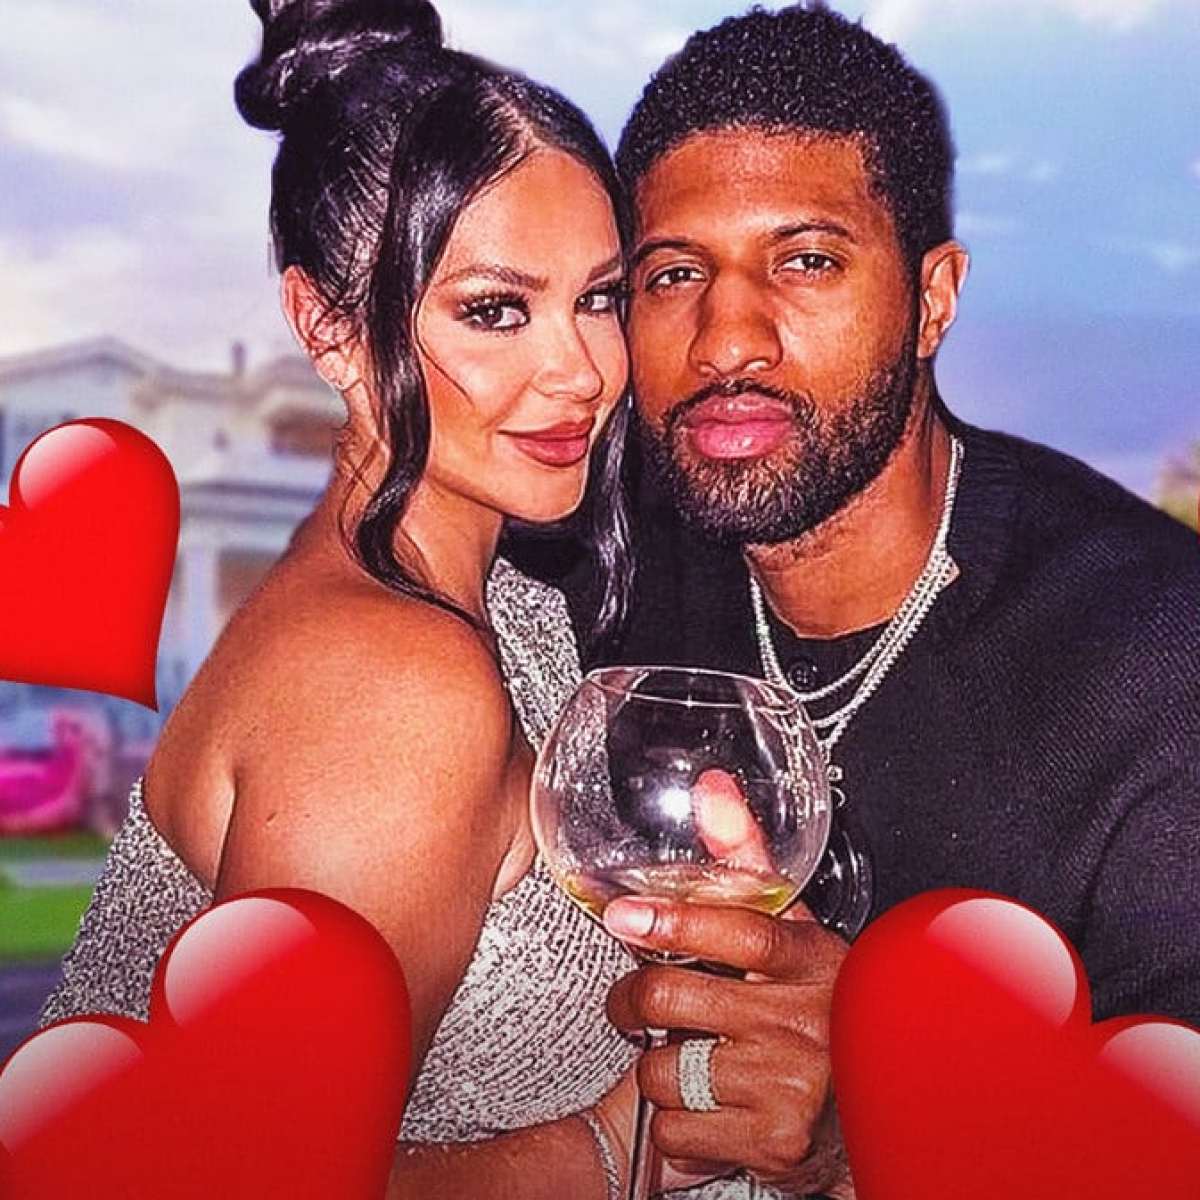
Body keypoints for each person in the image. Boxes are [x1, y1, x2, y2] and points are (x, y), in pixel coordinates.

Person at [37, 2, 848, 1198]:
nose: (581, 372)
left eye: (599, 298)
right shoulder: (396, 683)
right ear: (328, 329)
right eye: (494, 310)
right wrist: (629, 1138)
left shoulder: (494, 600)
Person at [522, 0, 1200, 1074]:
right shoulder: (597, 573)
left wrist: (881, 1116)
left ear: (933, 300)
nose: (727, 343)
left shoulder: (1156, 663)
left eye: (805, 262)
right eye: (674, 274)